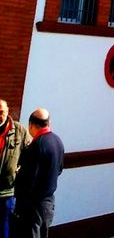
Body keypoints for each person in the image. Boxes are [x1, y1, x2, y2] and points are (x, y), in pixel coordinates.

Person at [13, 110, 64, 238]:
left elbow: (29, 180)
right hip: (48, 204)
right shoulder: (57, 141)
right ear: (49, 123)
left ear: (31, 124)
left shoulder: (37, 146)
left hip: (32, 206)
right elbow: (59, 169)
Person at [0, 100, 30, 238]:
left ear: (8, 111)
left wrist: (22, 169)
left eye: (1, 112)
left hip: (7, 191)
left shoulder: (19, 130)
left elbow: (31, 154)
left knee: (4, 227)